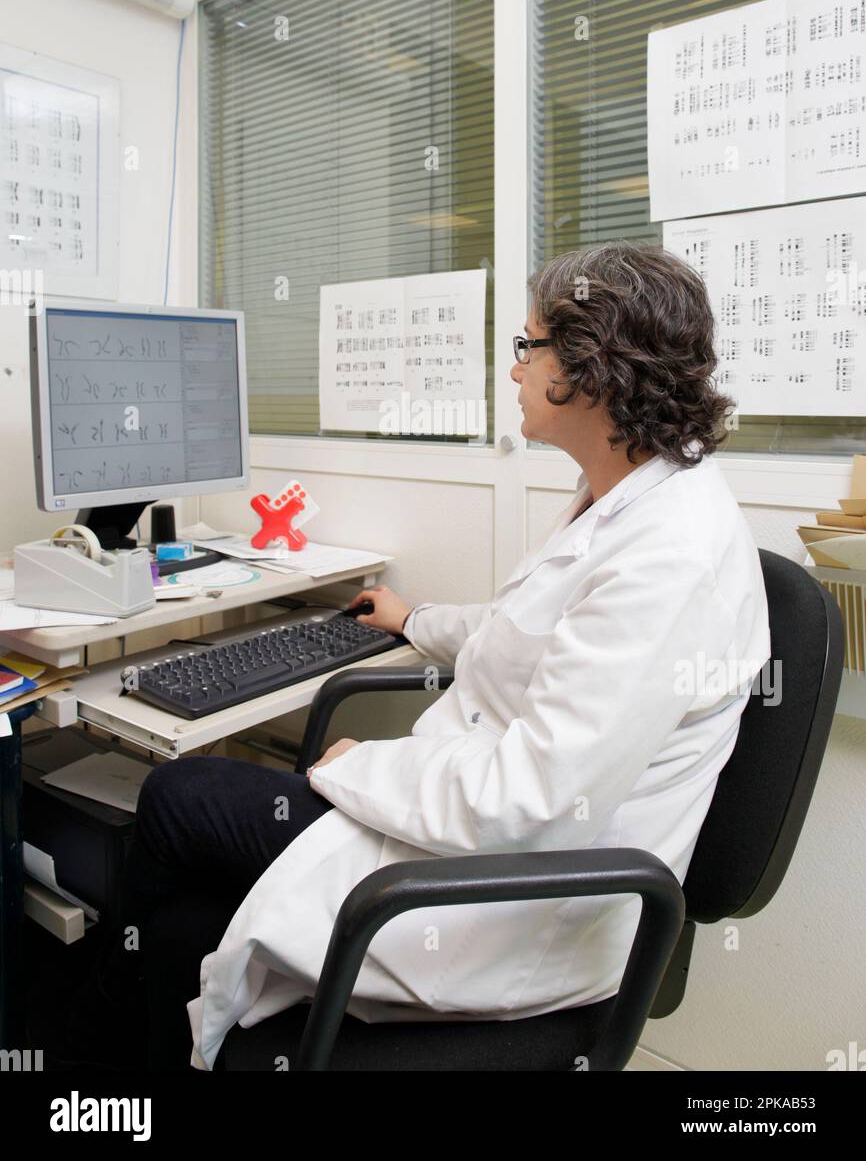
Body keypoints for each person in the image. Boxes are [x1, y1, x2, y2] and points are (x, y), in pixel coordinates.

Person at [53, 242, 770, 1071]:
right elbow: (532, 638)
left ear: (595, 370)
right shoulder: (635, 496)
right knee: (180, 920)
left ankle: (92, 1052)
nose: (514, 371)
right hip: (470, 835)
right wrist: (413, 618)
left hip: (506, 898)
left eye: (528, 347)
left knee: (177, 794)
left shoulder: (670, 556)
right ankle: (135, 1031)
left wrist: (359, 768)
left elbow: (531, 799)